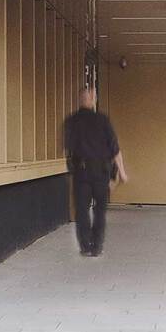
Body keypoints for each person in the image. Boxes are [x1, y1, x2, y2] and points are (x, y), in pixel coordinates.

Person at [60, 76, 126, 257]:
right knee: (100, 210)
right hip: (101, 173)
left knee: (81, 210)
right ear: (93, 100)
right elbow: (115, 148)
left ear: (80, 100)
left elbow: (68, 148)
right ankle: (97, 246)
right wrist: (121, 172)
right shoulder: (103, 120)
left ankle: (85, 245)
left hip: (81, 172)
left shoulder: (71, 121)